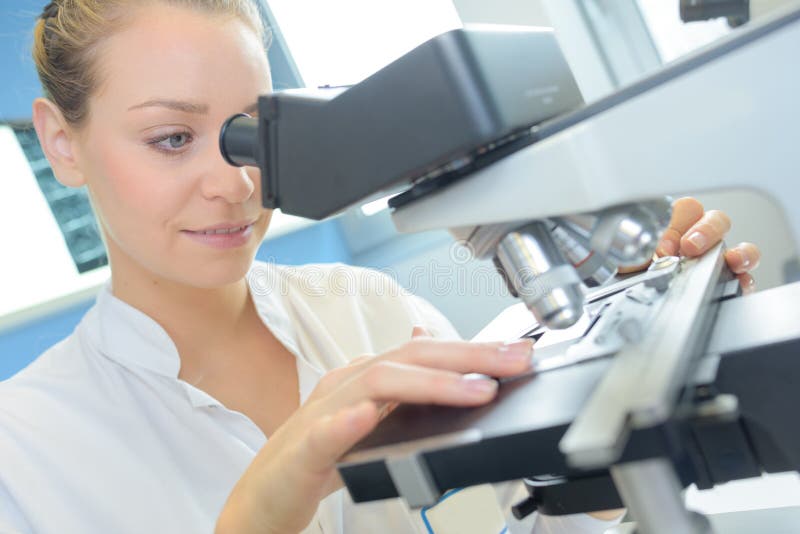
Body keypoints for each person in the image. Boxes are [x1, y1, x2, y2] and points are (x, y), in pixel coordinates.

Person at [0, 1, 760, 533]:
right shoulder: (23, 455)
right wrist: (261, 509)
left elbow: (536, 521)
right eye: (171, 139)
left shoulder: (370, 310)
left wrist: (620, 369)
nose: (235, 184)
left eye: (251, 135)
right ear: (62, 143)